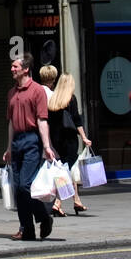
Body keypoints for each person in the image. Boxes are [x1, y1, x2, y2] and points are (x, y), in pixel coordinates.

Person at [3, 52, 58, 241]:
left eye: (15, 67)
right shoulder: (12, 93)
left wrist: (46, 146)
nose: (12, 69)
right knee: (18, 188)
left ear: (26, 69)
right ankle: (27, 229)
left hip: (32, 140)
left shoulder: (37, 91)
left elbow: (42, 120)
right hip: (17, 140)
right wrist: (9, 147)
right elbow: (10, 122)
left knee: (26, 185)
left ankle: (44, 217)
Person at [46, 72, 92, 216]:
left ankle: (77, 201)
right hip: (69, 139)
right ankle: (58, 203)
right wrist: (84, 137)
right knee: (66, 172)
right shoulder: (70, 99)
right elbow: (77, 120)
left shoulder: (53, 100)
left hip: (56, 140)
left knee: (66, 170)